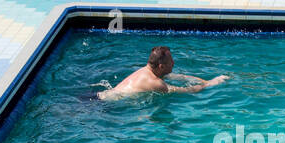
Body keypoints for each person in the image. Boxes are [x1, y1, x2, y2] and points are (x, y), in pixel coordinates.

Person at [97, 45, 229, 99]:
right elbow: (186, 91)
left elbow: (182, 77)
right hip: (102, 106)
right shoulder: (156, 83)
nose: (174, 63)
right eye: (171, 61)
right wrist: (210, 84)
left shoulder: (149, 70)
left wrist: (204, 80)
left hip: (99, 96)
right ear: (161, 66)